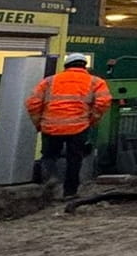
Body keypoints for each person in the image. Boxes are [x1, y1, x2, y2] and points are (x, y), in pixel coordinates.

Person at [25, 52, 112, 200]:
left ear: (66, 66)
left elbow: (32, 103)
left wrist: (38, 122)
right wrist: (93, 119)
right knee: (74, 159)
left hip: (50, 125)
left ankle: (50, 183)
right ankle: (70, 192)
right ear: (85, 66)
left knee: (49, 156)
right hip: (78, 126)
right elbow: (103, 102)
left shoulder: (49, 81)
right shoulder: (96, 82)